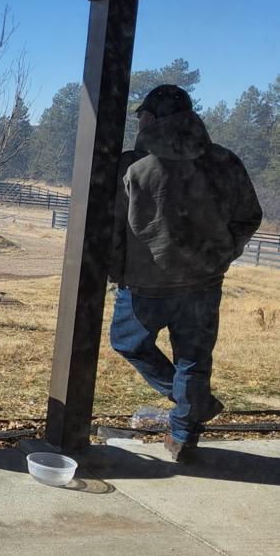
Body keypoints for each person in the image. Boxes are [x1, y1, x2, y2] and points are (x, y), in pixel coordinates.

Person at [108, 84, 262, 462]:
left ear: (150, 119)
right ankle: (184, 430)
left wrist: (116, 272)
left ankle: (190, 407)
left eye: (142, 116)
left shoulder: (132, 168)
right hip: (205, 281)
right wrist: (224, 252)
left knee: (128, 342)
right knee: (193, 359)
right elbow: (249, 216)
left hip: (146, 284)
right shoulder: (225, 161)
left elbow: (113, 231)